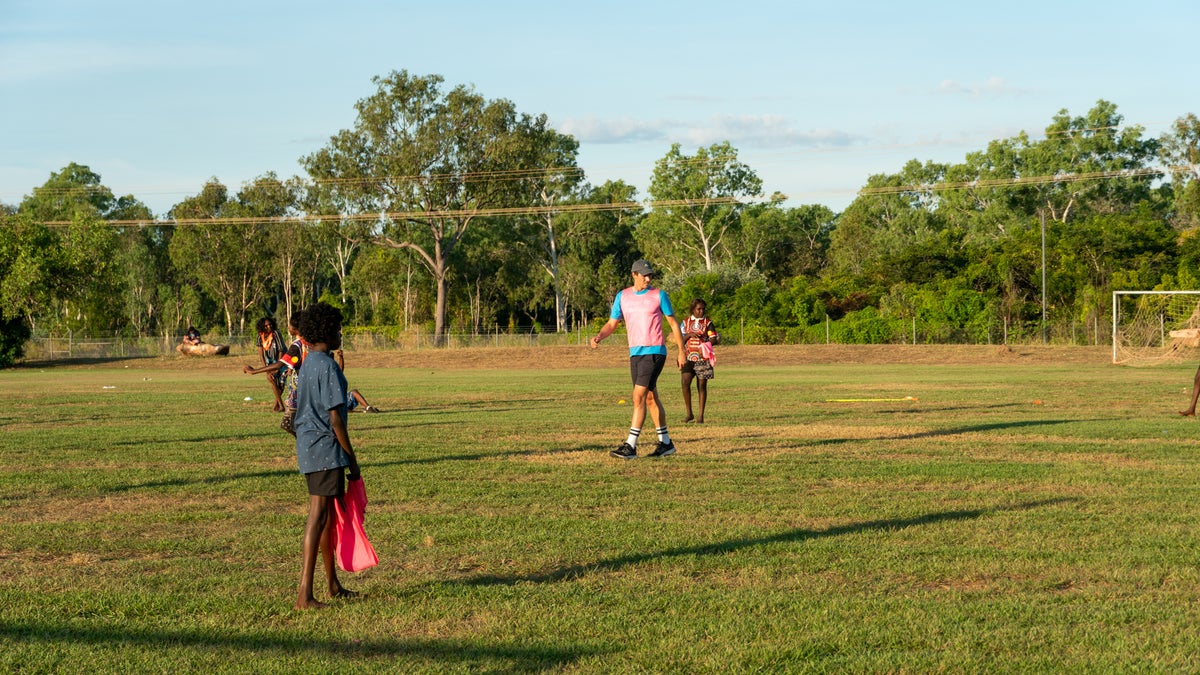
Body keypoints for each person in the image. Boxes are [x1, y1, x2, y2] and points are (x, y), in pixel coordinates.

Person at [292, 301, 360, 610]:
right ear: (327, 331)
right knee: (318, 516)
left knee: (329, 517)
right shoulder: (328, 366)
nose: (340, 333)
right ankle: (304, 594)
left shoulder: (309, 363)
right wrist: (352, 458)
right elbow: (335, 418)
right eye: (337, 328)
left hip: (309, 446)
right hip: (325, 449)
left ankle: (332, 584)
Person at [589, 259, 686, 459]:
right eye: (644, 275)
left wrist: (681, 351)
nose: (648, 278)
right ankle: (665, 443)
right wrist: (599, 336)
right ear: (634, 274)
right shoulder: (622, 296)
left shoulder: (659, 295)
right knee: (650, 398)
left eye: (650, 275)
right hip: (635, 353)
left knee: (637, 397)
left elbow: (674, 325)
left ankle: (630, 446)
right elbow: (611, 323)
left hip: (654, 351)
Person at [680, 298, 719, 423]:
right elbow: (680, 339)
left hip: (703, 358)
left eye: (703, 309)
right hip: (688, 357)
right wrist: (688, 335)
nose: (701, 311)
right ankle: (689, 413)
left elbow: (714, 338)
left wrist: (706, 344)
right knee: (685, 382)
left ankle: (701, 416)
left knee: (701, 385)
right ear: (693, 309)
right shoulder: (685, 323)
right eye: (698, 309)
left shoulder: (708, 322)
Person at [255, 317, 287, 412]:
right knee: (272, 380)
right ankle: (280, 406)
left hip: (282, 360)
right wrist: (267, 370)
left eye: (270, 325)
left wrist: (278, 366)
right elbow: (261, 355)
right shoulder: (259, 337)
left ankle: (277, 406)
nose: (269, 327)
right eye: (266, 326)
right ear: (262, 327)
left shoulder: (276, 333)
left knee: (281, 384)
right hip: (270, 361)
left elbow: (281, 350)